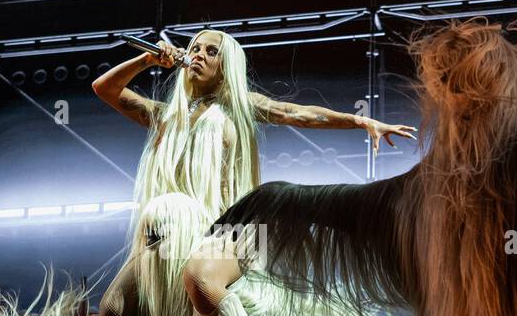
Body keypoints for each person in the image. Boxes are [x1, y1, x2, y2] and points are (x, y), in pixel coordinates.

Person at [91, 29, 416, 220]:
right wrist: (146, 59)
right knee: (116, 310)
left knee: (205, 289)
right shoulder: (166, 115)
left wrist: (360, 121)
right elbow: (103, 89)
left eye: (211, 51)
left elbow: (297, 113)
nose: (199, 55)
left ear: (226, 64)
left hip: (222, 223)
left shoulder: (241, 106)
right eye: (194, 49)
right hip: (171, 227)